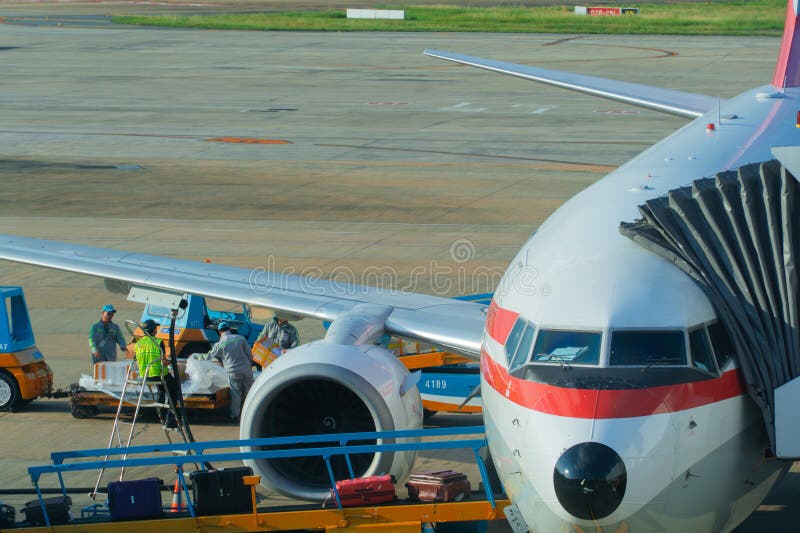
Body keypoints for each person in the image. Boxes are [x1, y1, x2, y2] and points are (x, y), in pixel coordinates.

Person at [202, 321, 254, 423]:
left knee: (236, 394)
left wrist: (196, 356)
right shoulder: (240, 338)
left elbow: (209, 356)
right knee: (250, 391)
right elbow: (249, 354)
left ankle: (234, 416)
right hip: (246, 369)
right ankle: (252, 412)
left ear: (219, 331)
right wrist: (249, 364)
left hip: (233, 371)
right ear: (229, 329)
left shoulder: (220, 344)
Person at [135, 319, 179, 429]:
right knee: (174, 390)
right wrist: (172, 361)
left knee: (161, 390)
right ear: (154, 330)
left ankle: (163, 417)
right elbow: (163, 362)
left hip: (145, 376)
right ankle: (170, 419)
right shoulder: (158, 342)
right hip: (158, 374)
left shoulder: (138, 343)